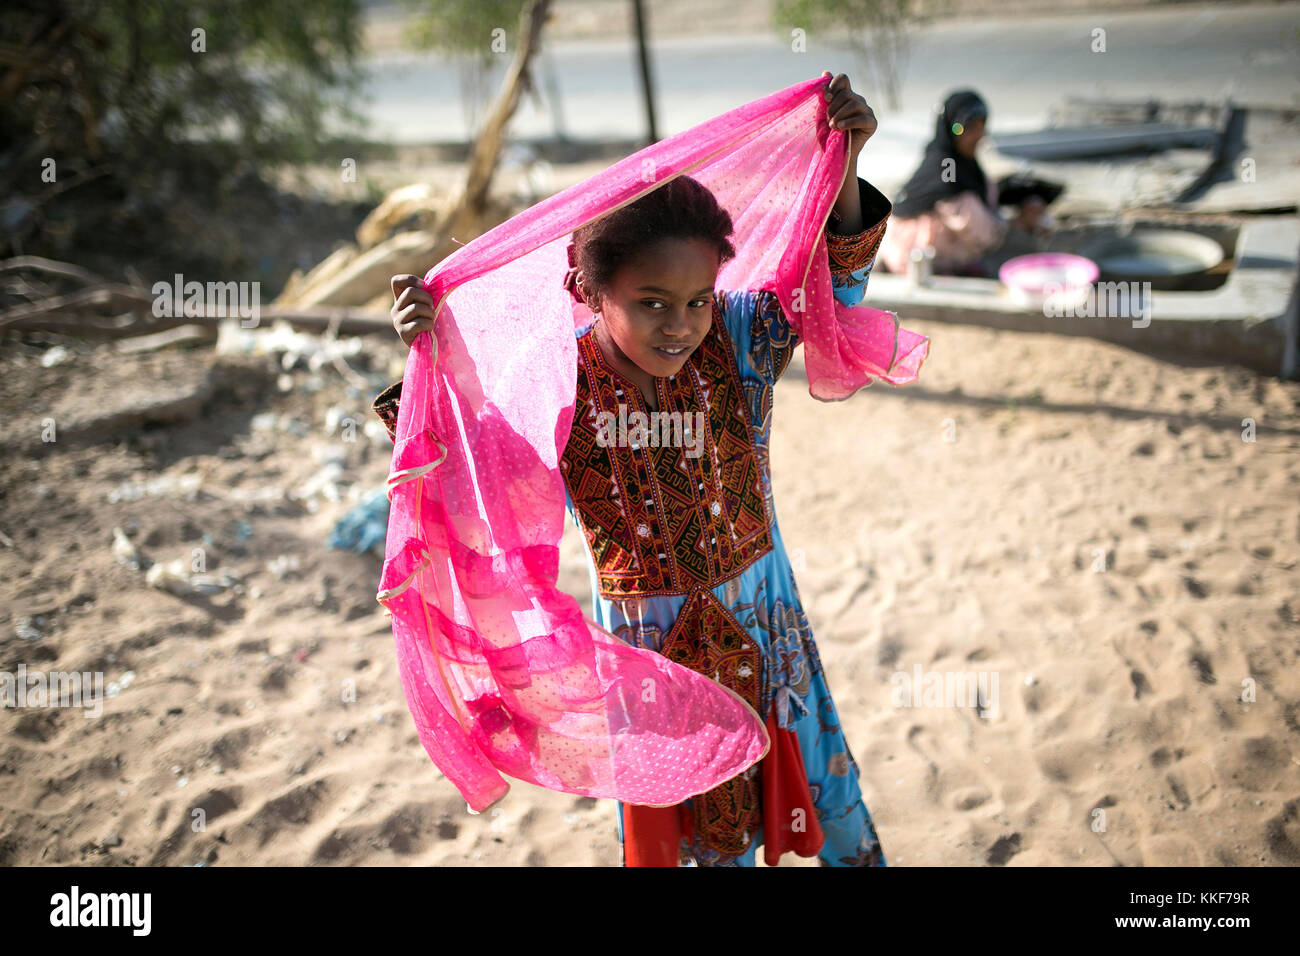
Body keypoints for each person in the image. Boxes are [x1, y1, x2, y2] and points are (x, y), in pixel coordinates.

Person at [374, 72, 890, 867]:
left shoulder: (742, 340)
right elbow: (473, 467)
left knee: (825, 795)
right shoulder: (561, 387)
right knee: (697, 835)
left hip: (769, 620)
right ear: (588, 289)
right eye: (651, 301)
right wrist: (430, 355)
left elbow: (836, 288)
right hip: (647, 651)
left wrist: (845, 160)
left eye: (697, 299)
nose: (681, 324)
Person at [877, 89, 1053, 278]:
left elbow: (983, 192)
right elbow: (960, 207)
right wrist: (1018, 222)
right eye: (963, 128)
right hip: (908, 257)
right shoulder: (946, 163)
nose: (976, 135)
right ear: (947, 129)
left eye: (980, 126)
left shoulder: (963, 161)